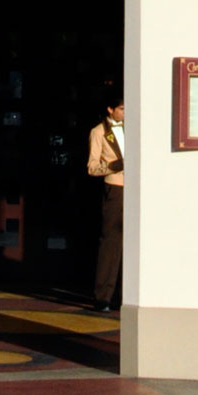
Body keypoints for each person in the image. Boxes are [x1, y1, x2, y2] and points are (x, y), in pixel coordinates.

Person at [86, 89, 126, 313]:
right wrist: (111, 166)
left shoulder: (133, 128)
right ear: (110, 109)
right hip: (115, 187)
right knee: (111, 241)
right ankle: (103, 296)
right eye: (121, 109)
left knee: (134, 243)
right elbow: (92, 167)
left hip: (134, 189)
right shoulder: (99, 132)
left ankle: (126, 294)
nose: (125, 113)